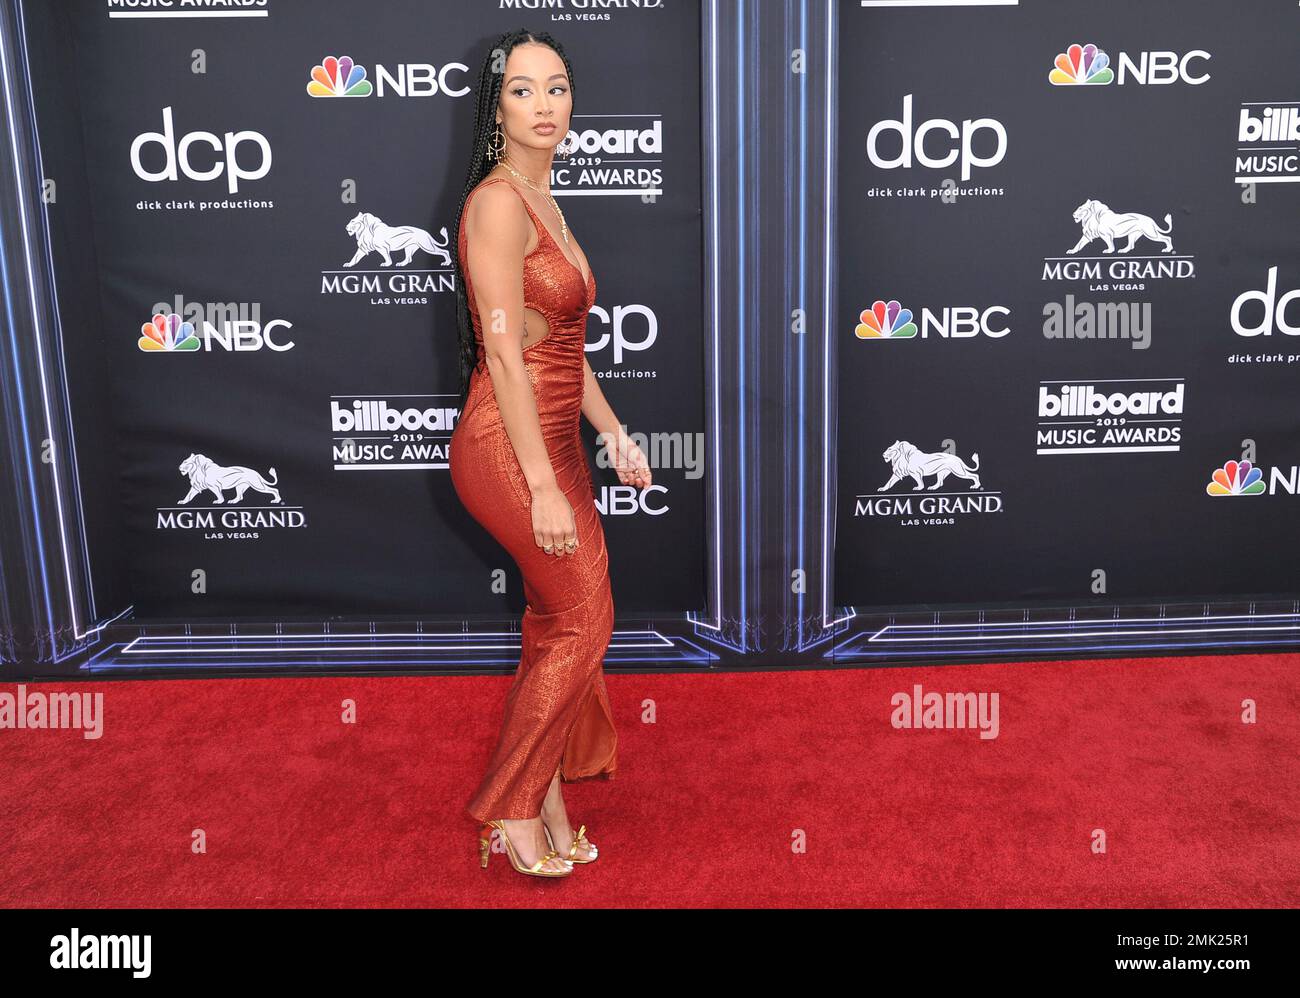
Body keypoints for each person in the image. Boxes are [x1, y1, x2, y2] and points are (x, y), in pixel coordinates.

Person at [449, 29, 652, 878]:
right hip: (508, 445)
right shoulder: (499, 203)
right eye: (523, 90)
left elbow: (563, 347)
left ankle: (547, 800)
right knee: (582, 620)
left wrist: (612, 432)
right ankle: (512, 806)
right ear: (495, 108)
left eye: (557, 87)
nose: (544, 105)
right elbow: (504, 355)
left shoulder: (545, 198)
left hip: (556, 438)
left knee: (558, 625)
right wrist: (539, 485)